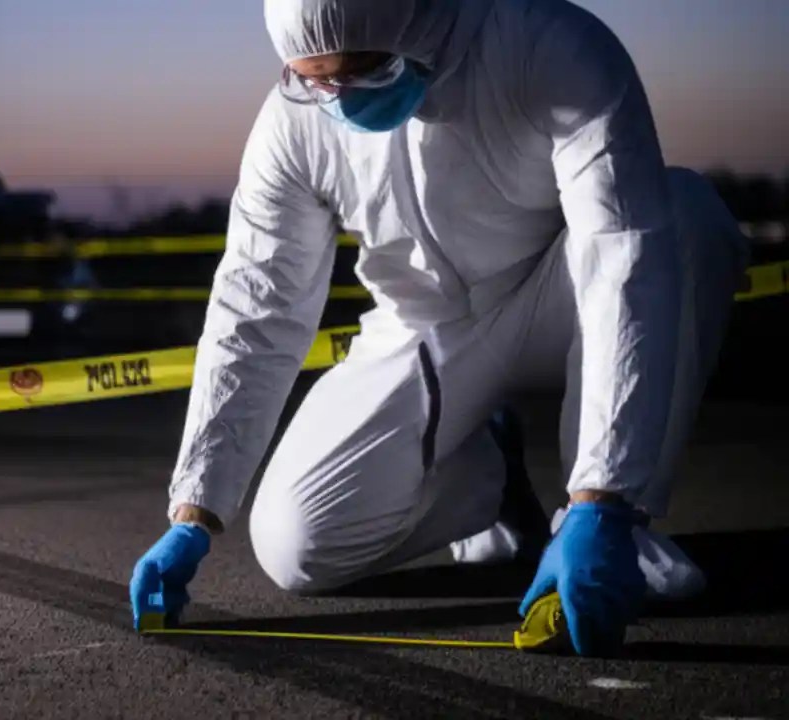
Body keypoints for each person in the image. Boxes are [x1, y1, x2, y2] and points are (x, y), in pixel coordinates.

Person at [128, 0, 750, 658]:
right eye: (312, 80)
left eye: (358, 74)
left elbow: (619, 254)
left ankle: (615, 521)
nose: (334, 101)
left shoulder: (551, 47)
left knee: (684, 221)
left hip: (555, 289)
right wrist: (194, 508)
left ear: (418, 24)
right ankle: (487, 479)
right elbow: (256, 307)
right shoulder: (295, 119)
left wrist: (606, 491)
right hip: (423, 330)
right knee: (297, 544)